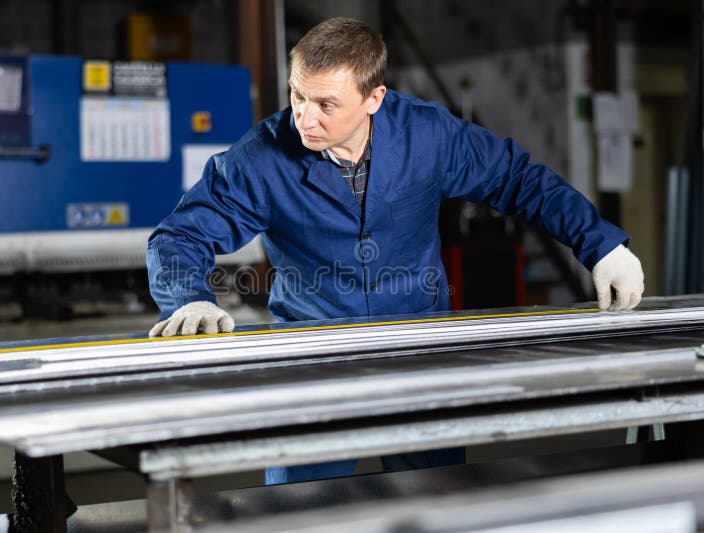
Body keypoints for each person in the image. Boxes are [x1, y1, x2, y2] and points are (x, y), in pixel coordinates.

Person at [146, 17, 644, 484]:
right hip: (312, 363)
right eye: (297, 95)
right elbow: (179, 236)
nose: (303, 117)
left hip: (419, 352)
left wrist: (600, 245)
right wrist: (188, 297)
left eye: (325, 104)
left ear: (374, 97)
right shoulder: (261, 159)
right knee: (299, 510)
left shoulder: (427, 135)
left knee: (433, 497)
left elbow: (518, 179)